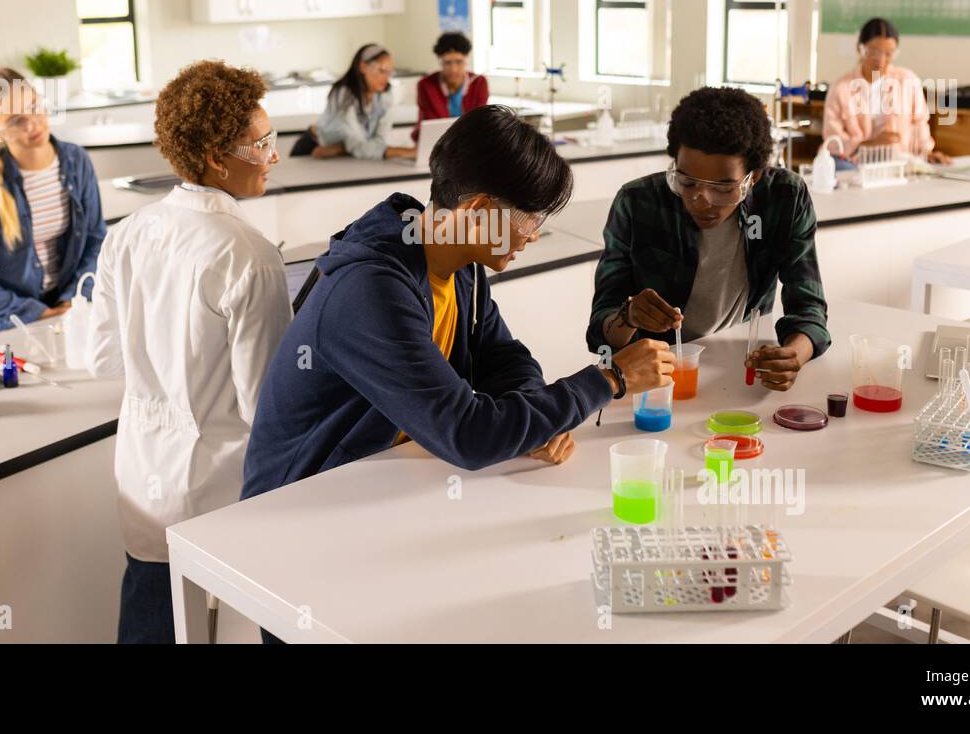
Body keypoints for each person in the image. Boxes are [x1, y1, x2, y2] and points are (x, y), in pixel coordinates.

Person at [244, 105, 673, 499]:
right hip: (299, 503)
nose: (533, 234)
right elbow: (467, 436)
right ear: (479, 209)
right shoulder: (369, 289)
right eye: (531, 219)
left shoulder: (459, 264)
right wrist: (610, 379)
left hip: (380, 482)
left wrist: (538, 420)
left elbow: (504, 359)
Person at [88, 60, 293, 644]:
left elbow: (102, 359)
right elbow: (265, 408)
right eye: (261, 144)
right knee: (270, 613)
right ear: (214, 156)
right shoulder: (250, 255)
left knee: (150, 616)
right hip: (222, 485)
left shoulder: (128, 233)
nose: (273, 156)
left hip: (143, 471)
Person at [588, 87, 831, 392]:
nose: (701, 201)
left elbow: (808, 308)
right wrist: (629, 315)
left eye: (723, 188)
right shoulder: (637, 203)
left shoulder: (784, 197)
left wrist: (795, 354)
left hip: (740, 368)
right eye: (687, 182)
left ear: (752, 178)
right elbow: (601, 333)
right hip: (654, 380)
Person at [0, 68, 105, 338]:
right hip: (6, 319)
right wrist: (39, 313)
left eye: (35, 106)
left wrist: (74, 300)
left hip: (68, 308)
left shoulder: (76, 160)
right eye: (15, 120)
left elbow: (96, 241)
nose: (33, 124)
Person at [823, 17, 952, 165]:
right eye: (874, 51)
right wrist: (871, 144)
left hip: (899, 161)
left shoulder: (908, 81)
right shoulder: (841, 88)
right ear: (860, 49)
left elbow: (920, 122)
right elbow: (832, 138)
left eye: (888, 53)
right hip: (854, 162)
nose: (881, 60)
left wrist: (926, 153)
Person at [299, 43, 416, 160]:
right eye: (381, 70)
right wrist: (403, 152)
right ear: (363, 67)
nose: (386, 77)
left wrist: (342, 148)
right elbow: (358, 145)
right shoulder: (343, 94)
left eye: (389, 72)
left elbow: (379, 139)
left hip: (348, 155)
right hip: (313, 148)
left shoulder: (385, 94)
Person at [411, 31, 489, 141]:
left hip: (471, 140)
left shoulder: (479, 83)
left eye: (459, 62)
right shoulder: (425, 85)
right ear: (440, 60)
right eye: (447, 63)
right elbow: (430, 125)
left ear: (466, 59)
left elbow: (479, 121)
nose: (453, 69)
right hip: (437, 141)